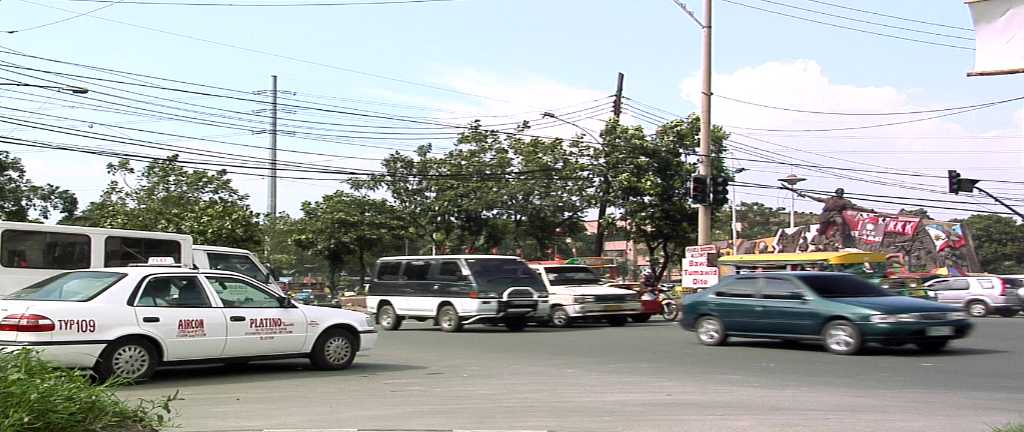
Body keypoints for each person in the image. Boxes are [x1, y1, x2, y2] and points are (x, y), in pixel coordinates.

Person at [785, 187, 873, 247]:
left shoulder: (845, 201)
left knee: (840, 222)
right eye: (839, 192)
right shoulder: (829, 199)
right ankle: (817, 239)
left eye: (841, 193)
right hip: (826, 214)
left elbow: (855, 207)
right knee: (822, 229)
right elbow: (817, 198)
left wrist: (868, 210)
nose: (840, 194)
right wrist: (806, 195)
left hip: (836, 214)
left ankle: (841, 237)